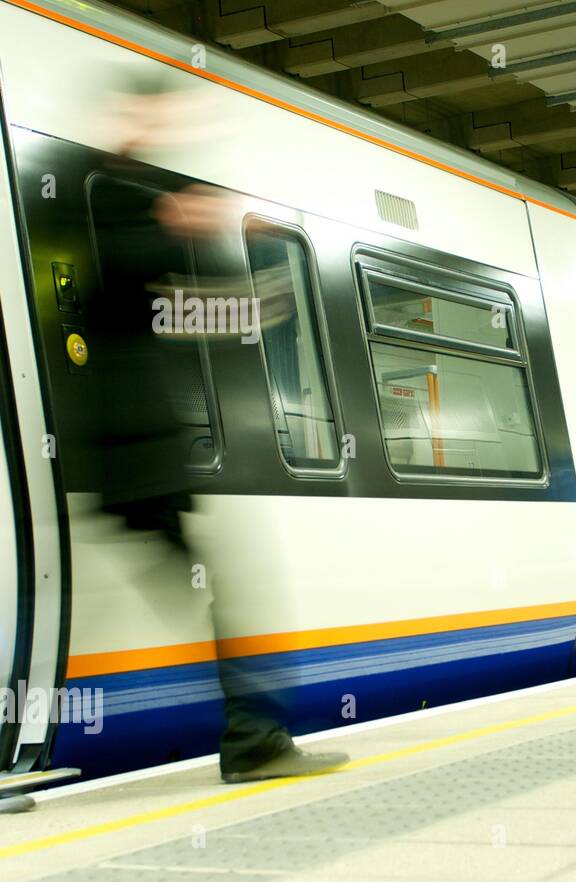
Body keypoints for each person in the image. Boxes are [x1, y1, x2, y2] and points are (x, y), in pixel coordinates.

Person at [85, 65, 347, 784]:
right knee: (231, 593)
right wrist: (179, 222)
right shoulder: (101, 195)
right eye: (158, 114)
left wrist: (235, 254)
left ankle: (253, 737)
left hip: (137, 461)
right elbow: (120, 294)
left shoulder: (129, 199)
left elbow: (187, 307)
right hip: (134, 459)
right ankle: (254, 741)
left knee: (201, 594)